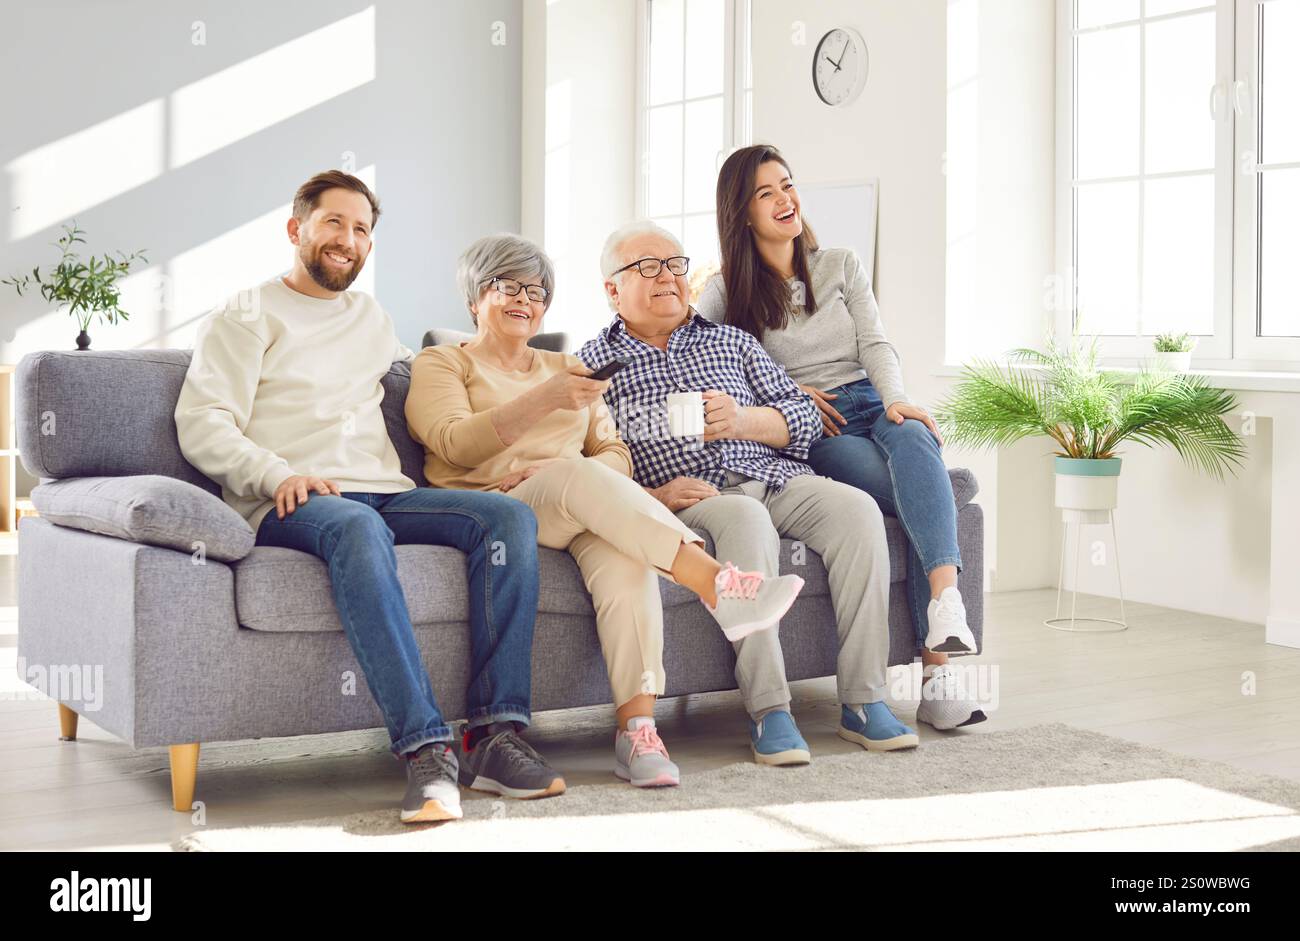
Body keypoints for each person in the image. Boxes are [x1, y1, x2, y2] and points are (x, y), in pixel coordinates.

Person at [175, 171, 563, 825]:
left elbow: (430, 375)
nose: (348, 239)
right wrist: (274, 474)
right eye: (334, 223)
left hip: (385, 492)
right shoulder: (247, 314)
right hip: (293, 500)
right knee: (356, 528)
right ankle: (424, 749)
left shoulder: (370, 317)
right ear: (296, 228)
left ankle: (493, 736)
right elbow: (203, 422)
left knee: (504, 517)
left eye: (361, 229)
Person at [404, 233, 805, 788]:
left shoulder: (565, 365)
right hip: (493, 507)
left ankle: (637, 732)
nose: (526, 299)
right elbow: (452, 444)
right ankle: (719, 586)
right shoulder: (441, 363)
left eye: (537, 290)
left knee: (626, 559)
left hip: (575, 503)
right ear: (475, 299)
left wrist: (582, 473)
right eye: (507, 287)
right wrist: (548, 406)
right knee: (572, 473)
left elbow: (612, 452)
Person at [578, 220, 921, 765]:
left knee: (859, 511)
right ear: (612, 289)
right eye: (646, 266)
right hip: (701, 496)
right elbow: (584, 464)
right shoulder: (592, 368)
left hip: (776, 477)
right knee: (745, 519)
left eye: (674, 264)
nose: (665, 276)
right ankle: (771, 710)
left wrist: (743, 419)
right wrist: (652, 493)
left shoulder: (731, 341)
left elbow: (804, 418)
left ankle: (864, 700)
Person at [696, 144, 985, 730]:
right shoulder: (726, 292)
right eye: (766, 193)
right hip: (817, 426)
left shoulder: (840, 265)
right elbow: (715, 367)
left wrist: (897, 397)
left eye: (788, 184)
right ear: (741, 213)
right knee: (914, 497)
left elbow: (875, 343)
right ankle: (936, 679)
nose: (785, 199)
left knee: (916, 440)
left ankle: (944, 610)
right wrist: (790, 396)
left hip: (870, 397)